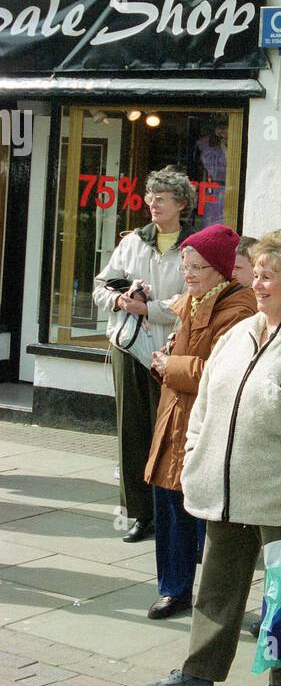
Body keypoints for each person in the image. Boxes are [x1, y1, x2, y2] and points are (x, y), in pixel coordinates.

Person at [143, 232, 281, 686]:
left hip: (279, 493)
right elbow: (203, 403)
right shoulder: (236, 333)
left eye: (270, 276)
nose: (259, 285)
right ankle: (199, 673)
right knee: (218, 584)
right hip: (222, 487)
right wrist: (198, 451)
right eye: (257, 274)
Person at [144, 225, 255, 619]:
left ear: (222, 270)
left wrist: (170, 365)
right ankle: (173, 589)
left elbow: (225, 371)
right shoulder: (192, 301)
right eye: (186, 265)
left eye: (198, 267)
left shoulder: (239, 308)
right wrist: (167, 359)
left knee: (205, 515)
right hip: (175, 416)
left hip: (206, 423)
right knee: (170, 504)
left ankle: (211, 597)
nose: (188, 274)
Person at [93, 167, 195, 544]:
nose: (153, 204)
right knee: (131, 432)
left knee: (170, 434)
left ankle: (176, 514)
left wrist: (149, 309)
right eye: (150, 197)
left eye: (162, 198)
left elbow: (192, 300)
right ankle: (139, 514)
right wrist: (120, 299)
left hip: (173, 352)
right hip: (128, 346)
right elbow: (100, 286)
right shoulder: (133, 241)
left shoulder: (193, 245)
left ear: (181, 204)